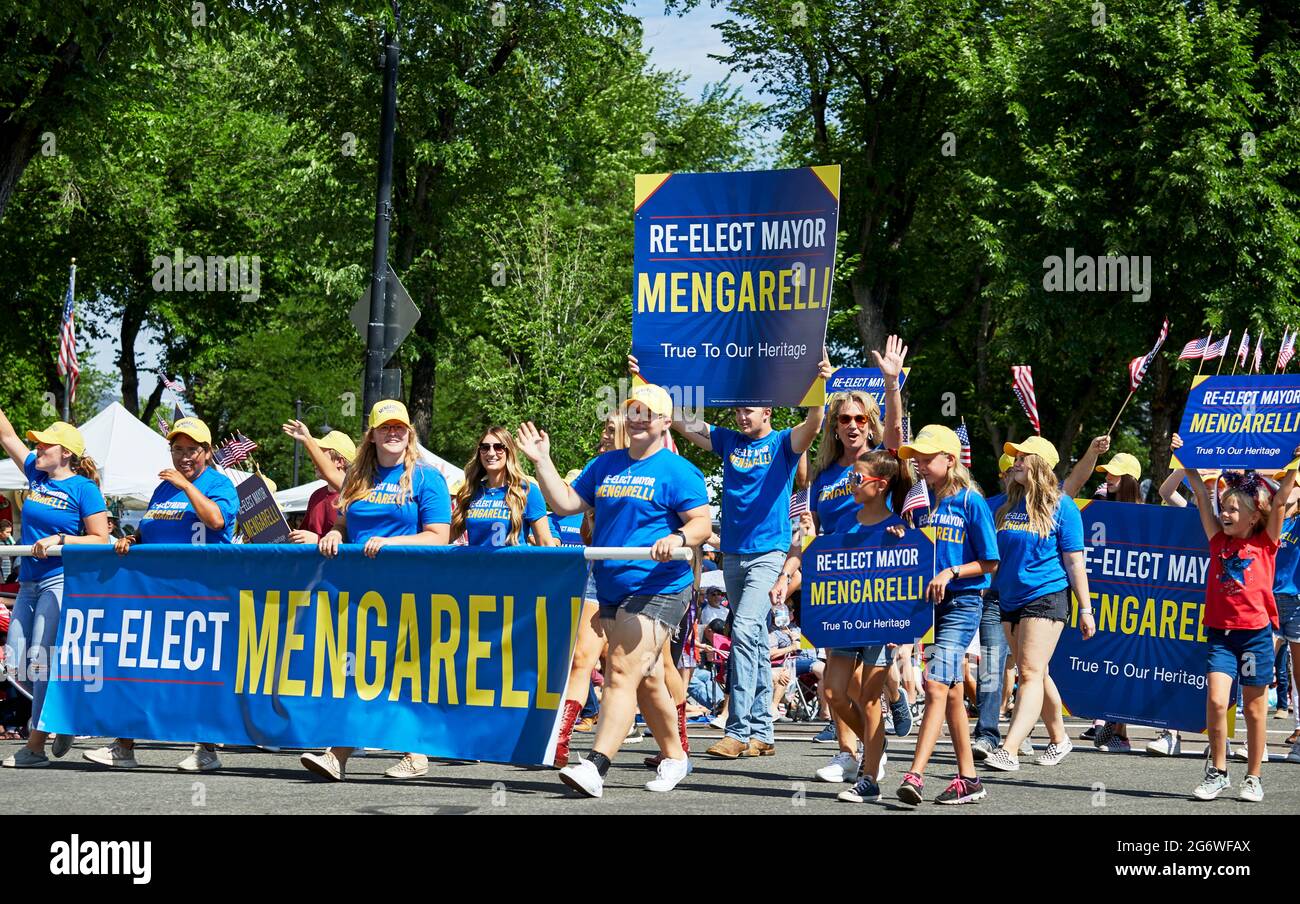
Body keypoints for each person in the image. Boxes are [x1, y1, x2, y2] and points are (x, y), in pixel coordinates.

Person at [625, 355, 831, 760]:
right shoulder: (729, 441)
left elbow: (813, 425)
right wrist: (646, 379)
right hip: (732, 553)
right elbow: (685, 425)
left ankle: (737, 729)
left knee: (743, 631)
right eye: (737, 409)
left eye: (748, 409)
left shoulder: (782, 442)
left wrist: (819, 387)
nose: (740, 416)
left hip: (769, 552)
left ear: (767, 412)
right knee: (750, 638)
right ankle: (762, 730)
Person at [518, 383, 712, 797]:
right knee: (650, 678)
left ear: (664, 422)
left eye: (647, 413)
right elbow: (566, 505)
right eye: (633, 412)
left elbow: (701, 524)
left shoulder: (679, 471)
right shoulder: (605, 465)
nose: (638, 419)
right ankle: (676, 757)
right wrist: (542, 462)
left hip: (659, 586)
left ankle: (596, 764)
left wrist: (677, 538)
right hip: (611, 585)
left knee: (621, 669)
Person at [298, 399, 452, 782]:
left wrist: (390, 543)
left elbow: (440, 537)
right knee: (362, 669)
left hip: (409, 589)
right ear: (372, 434)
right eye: (386, 427)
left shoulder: (426, 477)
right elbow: (343, 523)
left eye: (400, 426)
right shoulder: (357, 477)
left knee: (387, 669)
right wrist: (333, 533)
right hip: (358, 591)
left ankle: (340, 753)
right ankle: (409, 753)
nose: (394, 432)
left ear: (409, 433)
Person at [82, 416, 238, 771]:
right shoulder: (162, 488)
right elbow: (151, 528)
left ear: (207, 452)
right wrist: (133, 539)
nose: (184, 456)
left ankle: (207, 750)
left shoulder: (218, 484)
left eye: (192, 450)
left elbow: (216, 521)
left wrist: (186, 485)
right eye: (177, 449)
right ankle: (124, 746)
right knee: (142, 665)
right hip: (157, 595)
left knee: (200, 672)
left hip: (203, 595)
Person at [890, 423, 1000, 806]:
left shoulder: (971, 501)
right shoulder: (922, 503)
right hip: (929, 609)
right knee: (952, 692)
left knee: (935, 685)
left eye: (925, 457)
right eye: (916, 457)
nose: (918, 464)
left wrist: (951, 571)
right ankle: (969, 779)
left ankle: (915, 774)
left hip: (963, 604)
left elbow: (990, 563)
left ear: (950, 460)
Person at [1185, 457, 1298, 802]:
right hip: (1221, 635)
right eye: (1225, 508)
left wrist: (1295, 463)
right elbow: (1203, 500)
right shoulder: (1217, 540)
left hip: (1256, 636)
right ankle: (1218, 772)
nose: (1226, 514)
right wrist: (1189, 463)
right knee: (1218, 701)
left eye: (1234, 509)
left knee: (1253, 709)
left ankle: (1253, 777)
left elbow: (1280, 501)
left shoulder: (1266, 544)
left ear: (1253, 516)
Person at [0, 411, 108, 768]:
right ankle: (59, 714)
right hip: (29, 580)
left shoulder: (84, 489)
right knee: (15, 659)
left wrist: (61, 538)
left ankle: (34, 746)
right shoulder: (36, 472)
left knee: (40, 659)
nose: (37, 447)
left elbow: (100, 539)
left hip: (60, 578)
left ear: (65, 452)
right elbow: (8, 436)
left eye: (45, 443)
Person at [982, 436, 1096, 772]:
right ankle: (1060, 738)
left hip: (1047, 595)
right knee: (1038, 671)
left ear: (1040, 463)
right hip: (1009, 597)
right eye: (1014, 456)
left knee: (1028, 672)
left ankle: (1010, 749)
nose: (1015, 461)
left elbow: (1075, 563)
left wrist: (1086, 609)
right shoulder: (1003, 505)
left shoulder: (1063, 506)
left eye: (1022, 457)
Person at [550, 413, 627, 769]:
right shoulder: (597, 469)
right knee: (582, 658)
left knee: (650, 674)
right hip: (599, 574)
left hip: (644, 578)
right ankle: (560, 742)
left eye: (610, 430)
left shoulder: (655, 468)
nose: (603, 435)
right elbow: (576, 522)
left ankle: (675, 746)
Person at [1063, 435, 1147, 753]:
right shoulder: (1097, 508)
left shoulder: (1146, 513)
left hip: (1129, 598)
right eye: (1107, 473)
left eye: (1114, 474)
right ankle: (1104, 721)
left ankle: (1119, 730)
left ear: (1128, 480)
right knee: (1103, 658)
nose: (1108, 478)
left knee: (1124, 660)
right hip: (1098, 597)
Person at [452, 426, 555, 547]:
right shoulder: (470, 491)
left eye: (498, 447)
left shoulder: (526, 491)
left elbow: (545, 543)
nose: (491, 453)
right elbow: (445, 536)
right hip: (478, 565)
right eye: (485, 447)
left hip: (513, 565)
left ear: (509, 452)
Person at [282, 421, 357, 542]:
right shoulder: (316, 496)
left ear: (339, 461)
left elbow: (357, 541)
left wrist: (317, 540)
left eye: (320, 454)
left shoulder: (357, 496)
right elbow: (303, 536)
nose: (314, 460)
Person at [0, 519, 14, 583]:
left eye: (10, 532)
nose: (9, 535)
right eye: (7, 532)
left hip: (8, 574)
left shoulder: (9, 542)